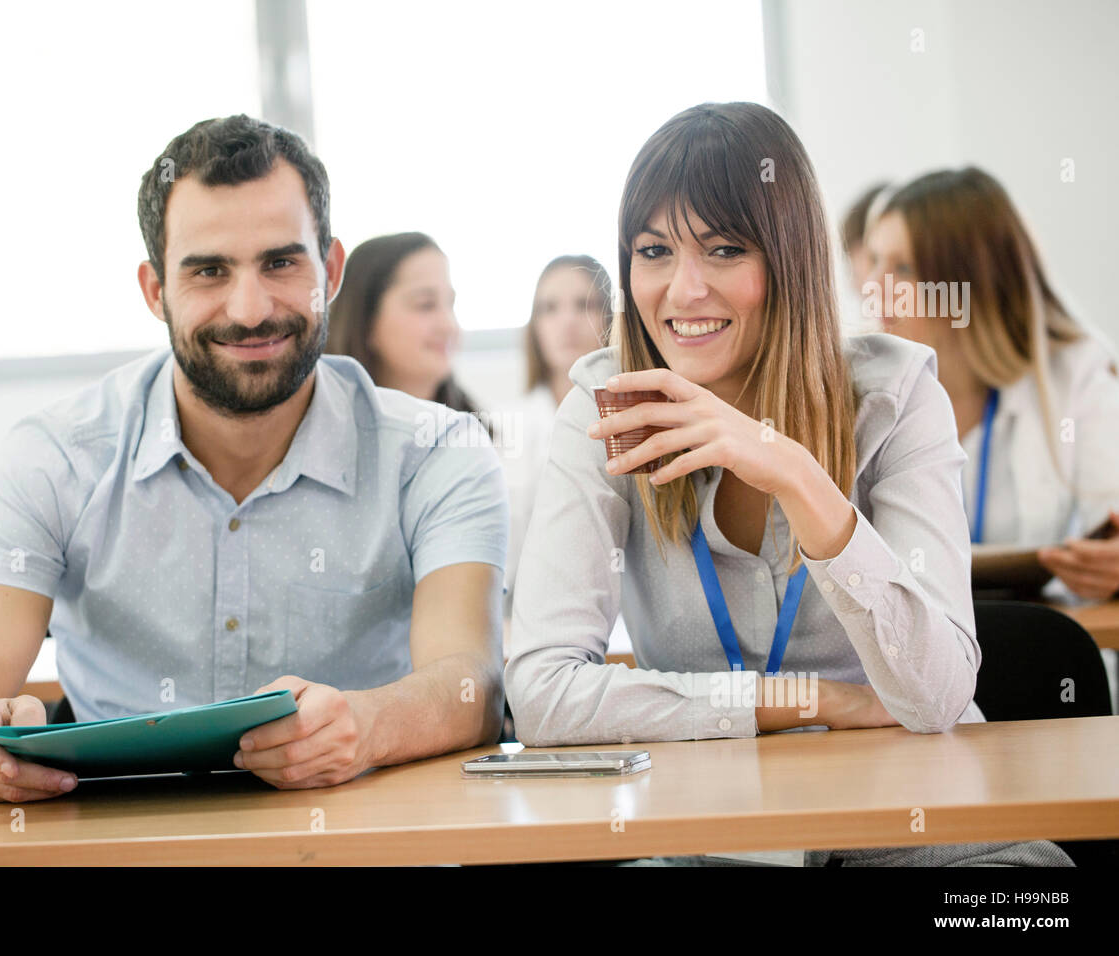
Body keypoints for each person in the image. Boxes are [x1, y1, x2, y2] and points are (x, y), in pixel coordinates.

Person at [504, 102, 1070, 866]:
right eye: (654, 251)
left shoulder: (896, 396)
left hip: (916, 839)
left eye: (725, 248)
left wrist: (798, 474)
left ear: (792, 257)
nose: (683, 289)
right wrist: (807, 703)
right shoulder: (605, 409)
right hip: (712, 842)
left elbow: (934, 697)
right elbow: (539, 694)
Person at [0, 116, 508, 801]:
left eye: (281, 262)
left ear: (332, 271)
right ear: (154, 290)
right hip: (122, 842)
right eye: (209, 271)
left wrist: (368, 724)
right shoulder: (53, 458)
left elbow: (474, 686)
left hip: (357, 838)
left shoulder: (437, 453)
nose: (250, 310)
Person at [865, 167, 1119, 591]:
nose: (874, 286)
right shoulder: (865, 386)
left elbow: (1110, 517)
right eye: (874, 261)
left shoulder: (1073, 373)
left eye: (904, 267)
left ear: (972, 284)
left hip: (1036, 633)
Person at [498, 255, 612, 616]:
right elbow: (504, 549)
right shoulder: (508, 428)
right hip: (529, 619)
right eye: (549, 308)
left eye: (585, 305)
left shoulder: (643, 420)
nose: (568, 321)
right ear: (534, 326)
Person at [325, 232, 486, 421]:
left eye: (451, 304)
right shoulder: (325, 431)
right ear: (366, 321)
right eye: (425, 305)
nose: (448, 325)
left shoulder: (479, 434)